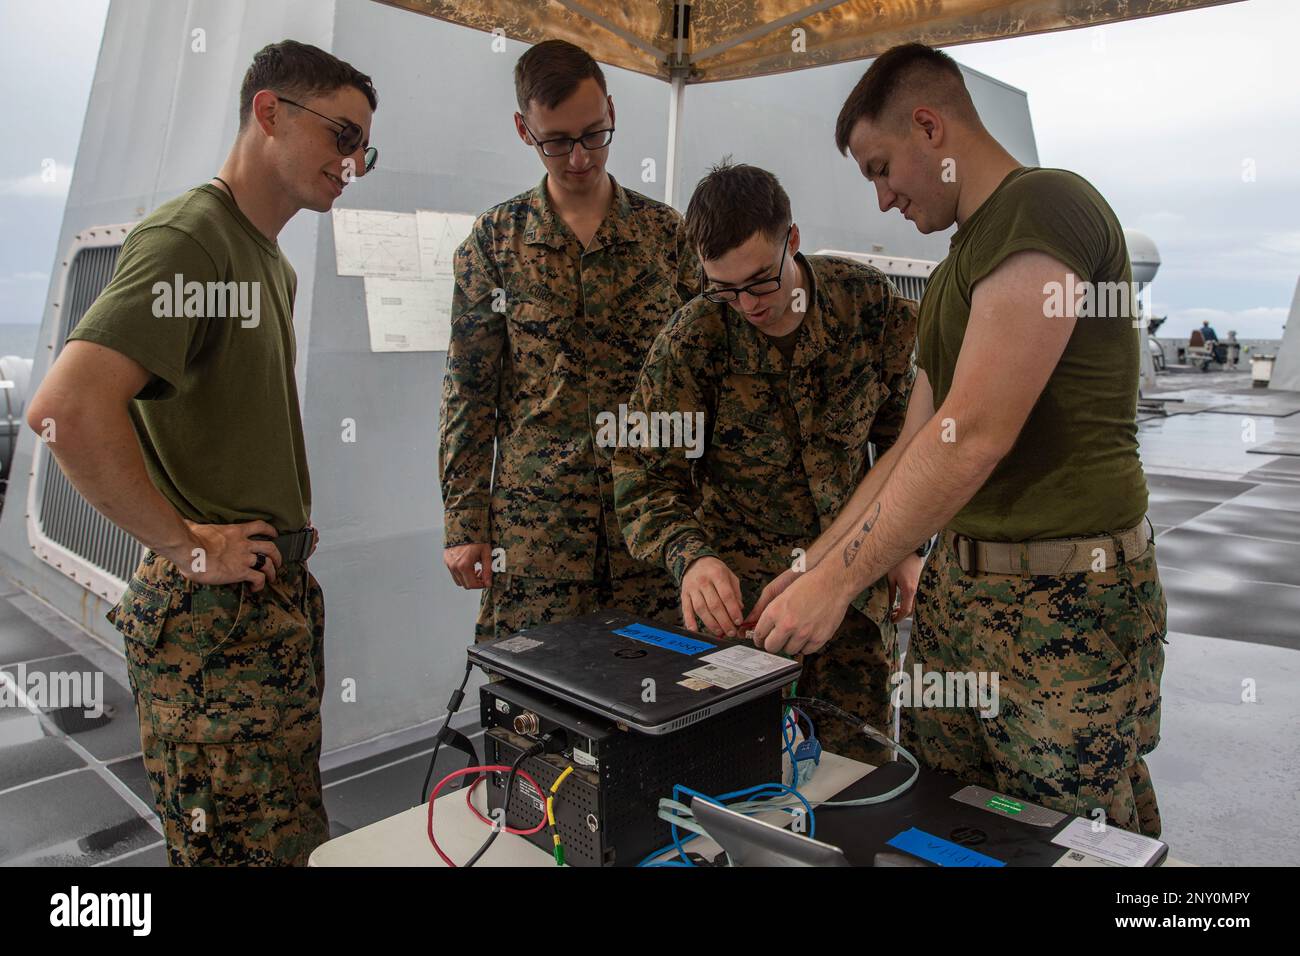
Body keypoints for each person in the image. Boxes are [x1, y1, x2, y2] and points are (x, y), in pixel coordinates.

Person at [747, 43, 1167, 837]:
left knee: (1070, 841)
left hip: (1063, 612)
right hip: (960, 604)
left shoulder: (1044, 206)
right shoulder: (951, 273)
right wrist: (814, 566)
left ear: (930, 127)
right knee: (953, 828)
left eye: (879, 167)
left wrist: (836, 588)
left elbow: (973, 433)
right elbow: (913, 447)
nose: (880, 199)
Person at [26, 40, 378, 864]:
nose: (352, 162)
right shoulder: (193, 239)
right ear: (268, 113)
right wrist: (187, 547)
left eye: (364, 147)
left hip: (265, 611)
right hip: (212, 631)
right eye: (340, 135)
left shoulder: (268, 263)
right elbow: (65, 413)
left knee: (287, 842)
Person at [614, 161, 921, 763]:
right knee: (740, 776)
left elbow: (908, 441)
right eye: (723, 289)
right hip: (744, 614)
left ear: (793, 240)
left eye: (759, 282)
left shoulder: (867, 306)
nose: (746, 305)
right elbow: (644, 475)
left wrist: (907, 548)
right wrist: (691, 558)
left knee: (855, 777)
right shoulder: (694, 339)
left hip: (854, 599)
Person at [439, 40, 697, 642]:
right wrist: (463, 521)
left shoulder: (668, 236)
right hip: (538, 533)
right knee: (538, 705)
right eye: (556, 141)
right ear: (523, 130)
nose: (579, 157)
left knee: (655, 697)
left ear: (612, 109)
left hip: (650, 524)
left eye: (595, 134)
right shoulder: (495, 241)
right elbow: (468, 390)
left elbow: (703, 379)